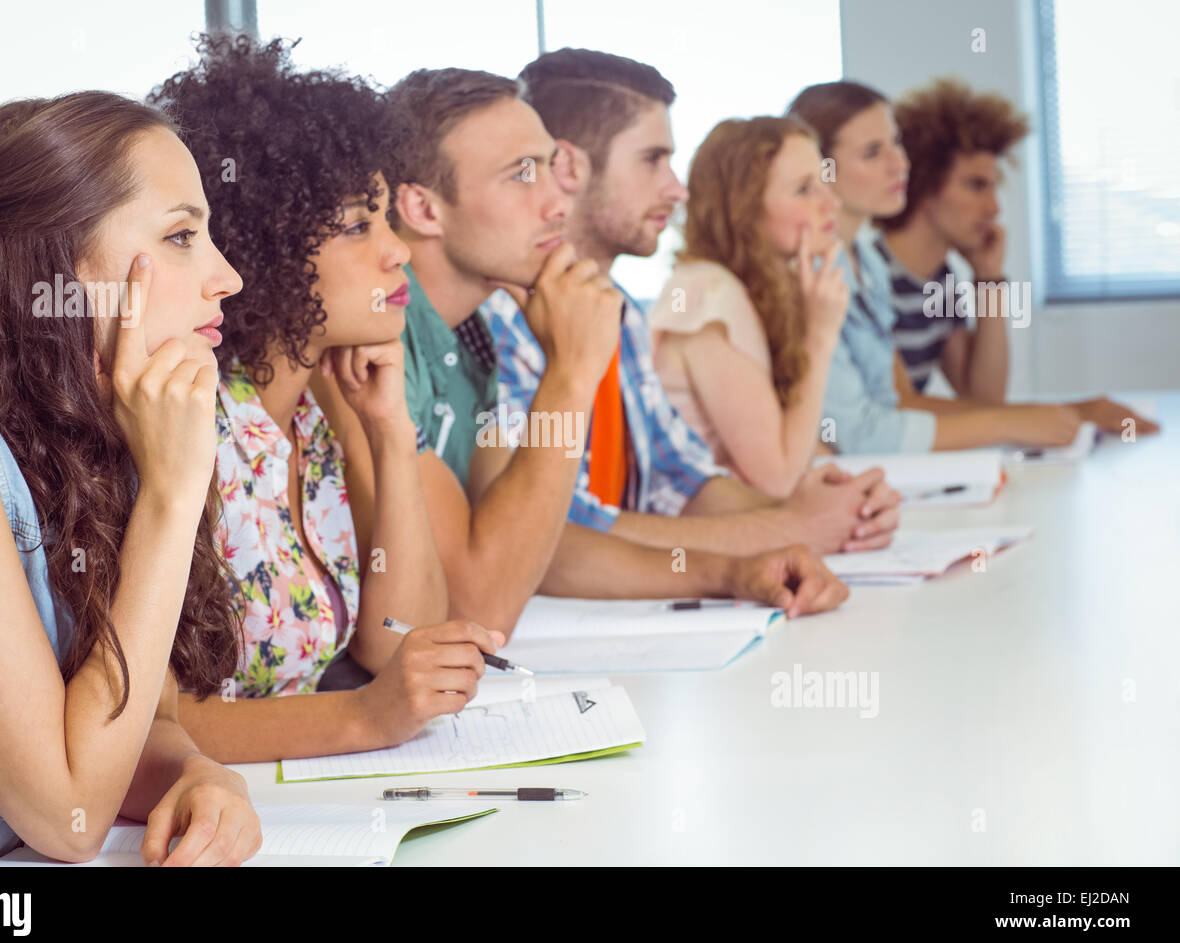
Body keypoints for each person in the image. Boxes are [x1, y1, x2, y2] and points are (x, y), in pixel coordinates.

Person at [0, 92, 261, 866]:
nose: (228, 277)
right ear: (59, 266)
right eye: (182, 236)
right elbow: (70, 818)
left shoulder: (105, 426)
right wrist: (169, 495)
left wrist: (197, 775)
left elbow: (140, 724)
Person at [377, 64, 852, 623]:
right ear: (423, 209)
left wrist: (739, 571)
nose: (559, 202)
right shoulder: (385, 337)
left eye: (551, 170)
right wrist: (571, 372)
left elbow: (536, 529)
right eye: (522, 174)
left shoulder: (473, 336)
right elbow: (486, 597)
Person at [147, 36, 504, 765]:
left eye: (387, 220)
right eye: (356, 227)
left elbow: (400, 637)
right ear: (265, 248)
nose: (396, 251)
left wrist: (390, 433)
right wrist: (363, 719)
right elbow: (158, 725)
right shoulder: (187, 418)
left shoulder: (313, 417)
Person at [477, 49, 895, 598]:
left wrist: (833, 510)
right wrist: (795, 526)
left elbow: (682, 477)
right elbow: (561, 533)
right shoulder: (499, 323)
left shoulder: (620, 310)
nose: (676, 189)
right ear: (571, 167)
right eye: (653, 160)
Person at [788, 80, 1098, 453]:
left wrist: (989, 280)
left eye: (896, 144)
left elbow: (966, 395)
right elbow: (865, 428)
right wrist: (1039, 416)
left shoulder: (873, 268)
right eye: (872, 152)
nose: (900, 164)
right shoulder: (819, 273)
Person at [874, 78, 1159, 435]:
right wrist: (1076, 411)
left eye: (994, 187)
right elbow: (893, 408)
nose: (994, 207)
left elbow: (983, 396)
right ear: (924, 184)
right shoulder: (870, 272)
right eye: (976, 186)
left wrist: (989, 277)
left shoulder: (938, 280)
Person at [650, 116, 849, 497]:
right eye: (804, 189)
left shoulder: (750, 290)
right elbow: (776, 479)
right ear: (745, 209)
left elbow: (797, 451)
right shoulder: (707, 294)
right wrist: (820, 338)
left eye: (824, 182)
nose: (832, 203)